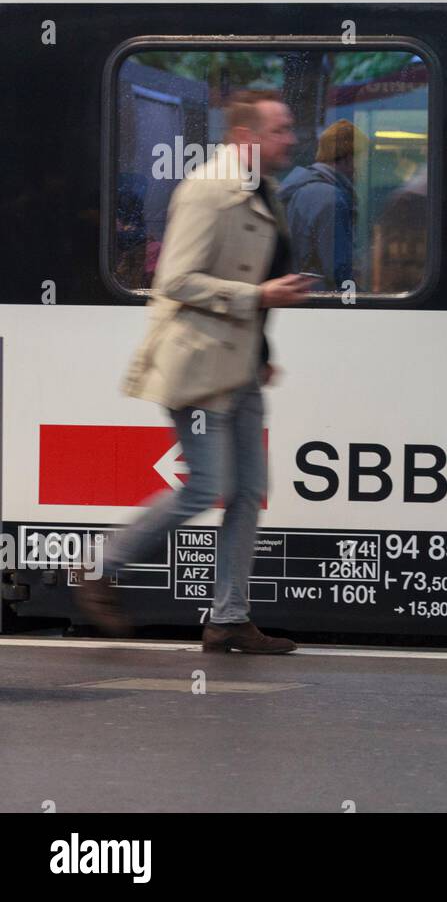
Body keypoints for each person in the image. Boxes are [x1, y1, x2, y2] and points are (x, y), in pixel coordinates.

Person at [77, 90, 314, 653]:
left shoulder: (264, 189)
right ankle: (102, 567)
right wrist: (257, 294)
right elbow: (175, 280)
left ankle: (228, 618)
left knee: (248, 490)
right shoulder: (211, 190)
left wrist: (260, 350)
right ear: (244, 136)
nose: (292, 138)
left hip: (240, 365)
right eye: (279, 129)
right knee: (209, 486)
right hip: (200, 365)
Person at [279, 118, 365, 289]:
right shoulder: (332, 199)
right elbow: (338, 270)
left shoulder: (301, 189)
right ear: (349, 158)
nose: (361, 168)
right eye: (361, 158)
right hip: (321, 299)